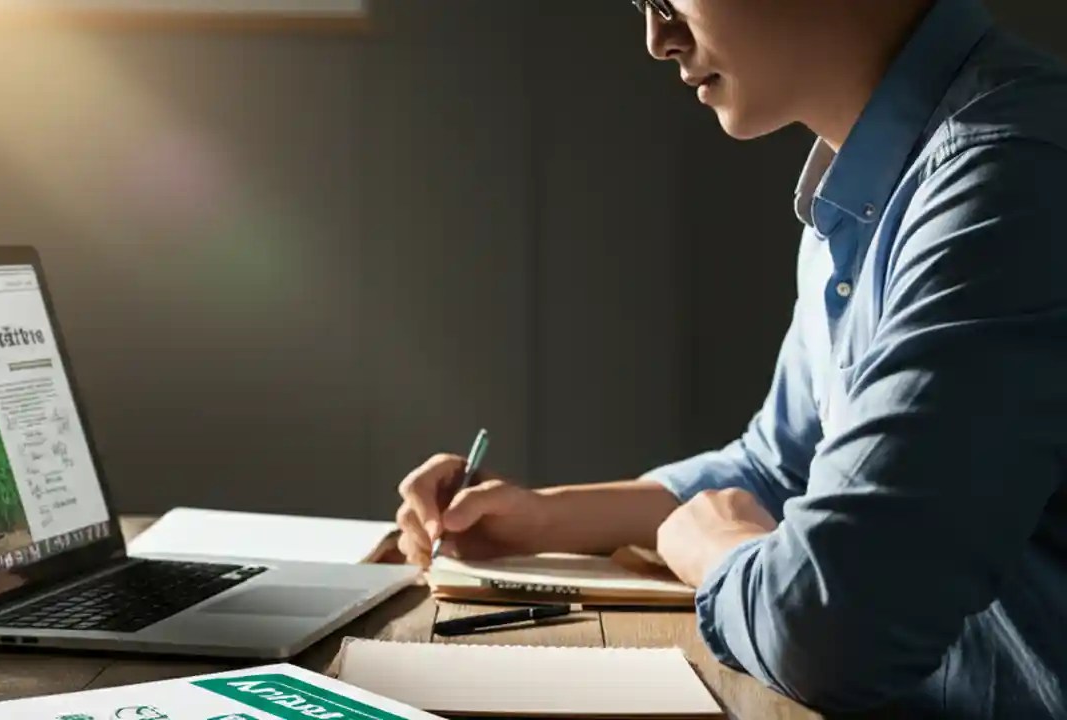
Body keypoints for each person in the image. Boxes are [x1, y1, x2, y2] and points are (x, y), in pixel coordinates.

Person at [393, 0, 1067, 717]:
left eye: (668, 0)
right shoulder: (878, 183)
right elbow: (781, 468)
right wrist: (547, 518)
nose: (657, 39)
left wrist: (716, 552)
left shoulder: (1007, 182)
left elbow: (827, 631)